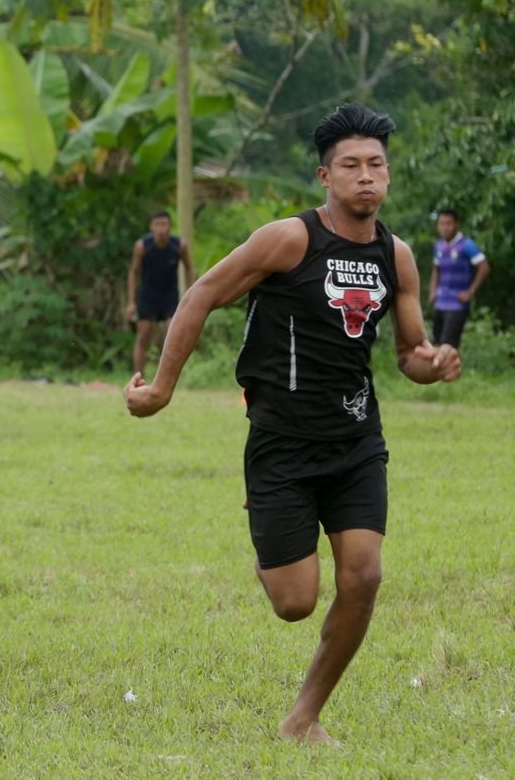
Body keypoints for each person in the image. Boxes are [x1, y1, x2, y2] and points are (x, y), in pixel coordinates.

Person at [123, 104, 461, 744]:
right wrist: (163, 387)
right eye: (351, 166)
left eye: (377, 165)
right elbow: (201, 296)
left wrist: (434, 361)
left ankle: (303, 718)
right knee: (294, 603)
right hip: (280, 439)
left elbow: (408, 356)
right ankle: (271, 538)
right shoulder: (288, 239)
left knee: (363, 577)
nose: (366, 177)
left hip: (357, 440)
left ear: (388, 176)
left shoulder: (399, 256)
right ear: (324, 176)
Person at [126, 210, 195, 376]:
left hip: (169, 294)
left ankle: (165, 376)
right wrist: (131, 302)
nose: (161, 229)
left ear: (170, 227)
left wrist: (191, 295)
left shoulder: (179, 246)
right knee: (143, 333)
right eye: (157, 224)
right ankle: (138, 376)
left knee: (171, 333)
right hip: (148, 294)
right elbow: (134, 272)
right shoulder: (142, 246)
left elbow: (188, 268)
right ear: (151, 227)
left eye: (164, 224)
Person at [428, 208, 490, 349]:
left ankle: (450, 371)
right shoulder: (438, 246)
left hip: (457, 302)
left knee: (448, 345)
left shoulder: (467, 245)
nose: (445, 227)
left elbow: (484, 267)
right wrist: (433, 291)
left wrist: (470, 292)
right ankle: (437, 371)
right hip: (441, 301)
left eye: (448, 223)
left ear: (456, 224)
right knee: (436, 343)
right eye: (441, 224)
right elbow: (436, 269)